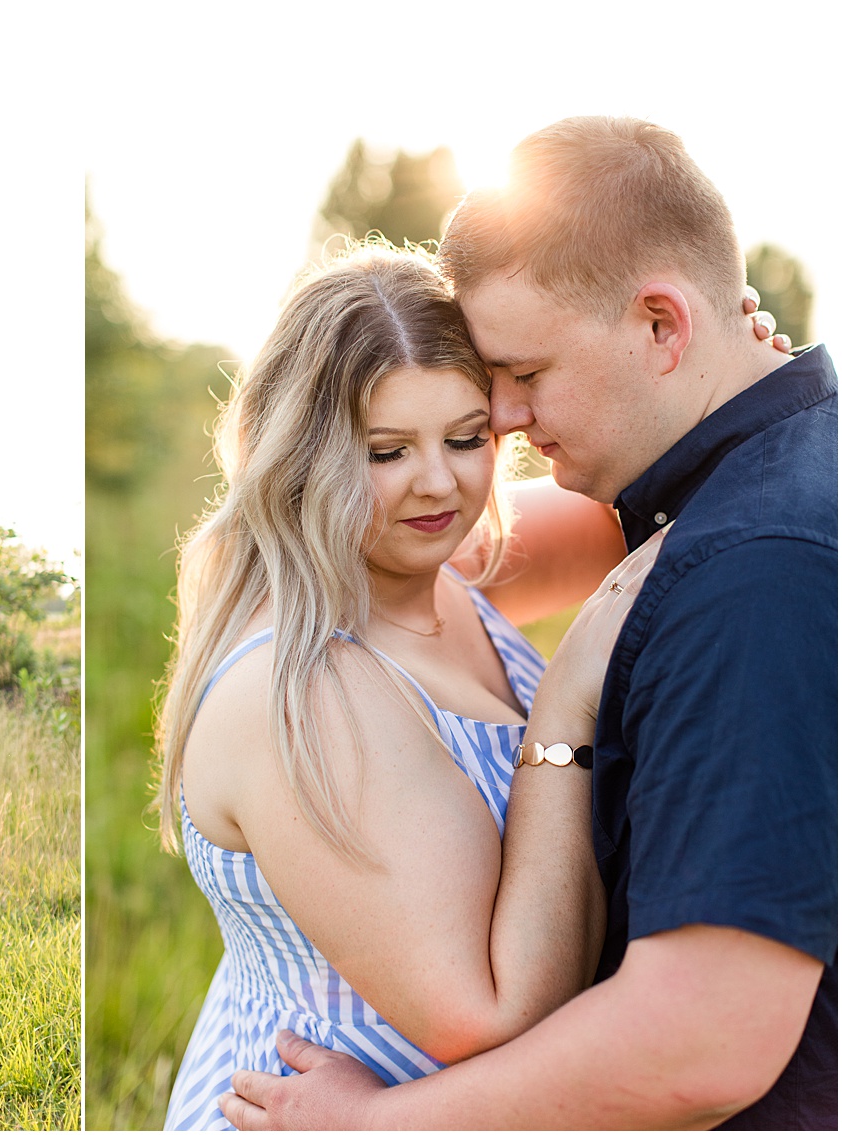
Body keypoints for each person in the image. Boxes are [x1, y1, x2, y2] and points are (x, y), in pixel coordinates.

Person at [222, 117, 835, 1130]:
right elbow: (409, 552)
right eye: (389, 447)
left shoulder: (750, 571)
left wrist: (379, 1124)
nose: (504, 417)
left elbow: (707, 1035)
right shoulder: (737, 482)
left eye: (526, 376)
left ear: (662, 326)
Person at [156, 238, 671, 1130]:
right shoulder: (306, 689)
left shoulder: (434, 566)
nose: (439, 482)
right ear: (300, 455)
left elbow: (656, 496)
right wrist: (565, 707)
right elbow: (491, 1017)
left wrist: (739, 370)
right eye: (386, 451)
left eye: (467, 437)